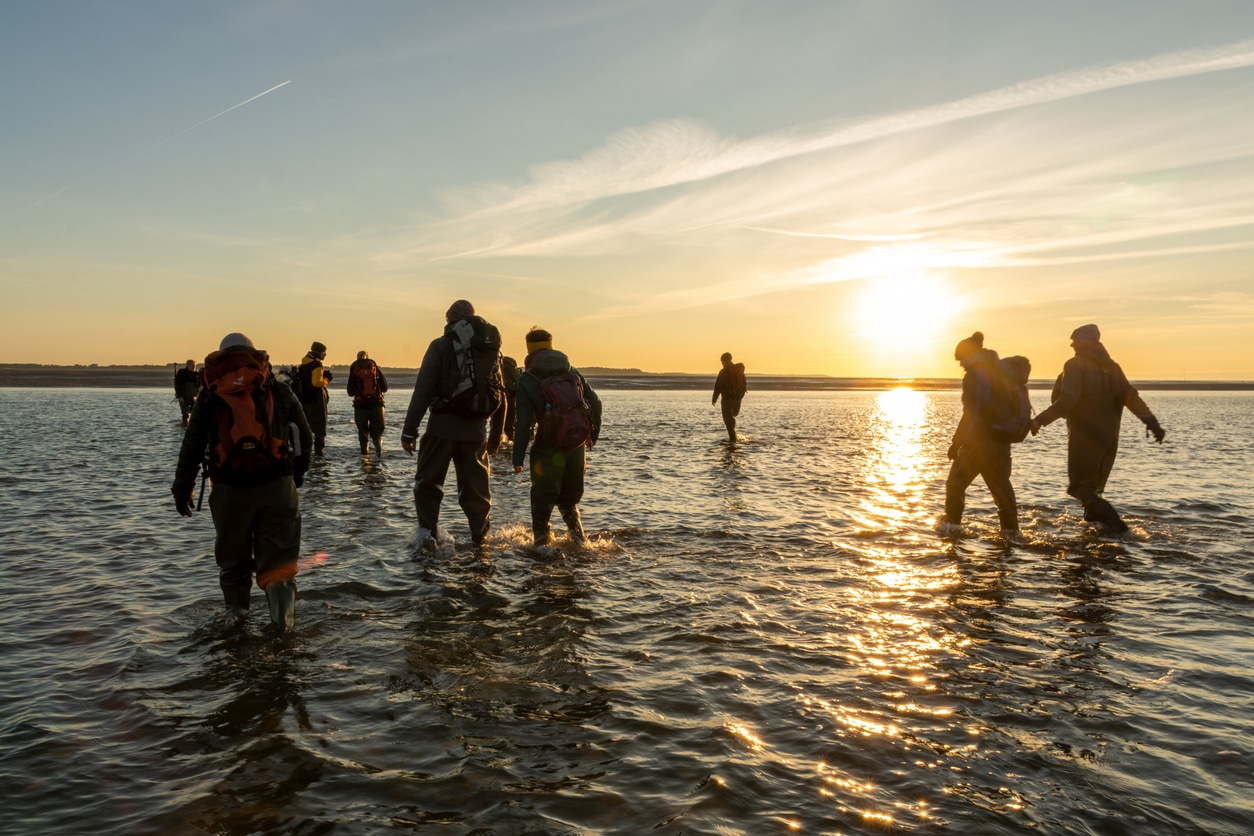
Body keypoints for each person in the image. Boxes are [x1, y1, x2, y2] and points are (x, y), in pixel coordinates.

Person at [171, 333, 312, 632]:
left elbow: (192, 445)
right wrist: (295, 477)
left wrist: (182, 488)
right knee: (279, 567)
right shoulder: (277, 387)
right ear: (254, 354)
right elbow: (306, 436)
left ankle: (236, 624)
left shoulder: (210, 393)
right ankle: (282, 630)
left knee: (234, 566)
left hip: (229, 490)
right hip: (277, 487)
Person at [1030, 324, 1165, 534]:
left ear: (1089, 341)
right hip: (1110, 439)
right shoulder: (1113, 367)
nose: (1072, 344)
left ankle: (1120, 530)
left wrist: (1038, 421)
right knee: (1094, 492)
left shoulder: (1075, 365)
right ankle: (1096, 539)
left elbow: (1067, 400)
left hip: (1085, 439)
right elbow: (1131, 397)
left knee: (1081, 487)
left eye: (1076, 340)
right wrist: (1153, 424)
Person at [400, 300, 506, 549]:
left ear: (449, 320)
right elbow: (501, 394)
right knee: (477, 492)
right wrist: (495, 437)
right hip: (477, 431)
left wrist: (409, 431)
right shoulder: (489, 349)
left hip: (442, 428)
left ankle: (427, 539)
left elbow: (423, 390)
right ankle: (481, 541)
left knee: (428, 484)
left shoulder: (440, 345)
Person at [512, 328, 603, 547]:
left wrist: (517, 458)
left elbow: (523, 424)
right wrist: (592, 435)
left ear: (528, 349)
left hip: (548, 446)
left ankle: (542, 547)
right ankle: (580, 543)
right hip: (576, 445)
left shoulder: (528, 378)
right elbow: (596, 403)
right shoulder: (570, 370)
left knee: (542, 498)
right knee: (569, 500)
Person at [943, 332, 1019, 533]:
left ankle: (952, 527)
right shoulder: (1000, 371)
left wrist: (957, 442)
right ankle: (1012, 534)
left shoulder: (974, 375)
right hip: (1002, 441)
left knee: (955, 485)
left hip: (979, 443)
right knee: (1002, 491)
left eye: (960, 358)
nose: (960, 364)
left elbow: (971, 414)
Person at [346, 350, 388, 456]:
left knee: (363, 432)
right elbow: (385, 387)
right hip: (377, 405)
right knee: (377, 433)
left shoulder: (354, 369)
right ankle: (379, 452)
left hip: (361, 406)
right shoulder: (374, 368)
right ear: (367, 357)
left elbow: (350, 392)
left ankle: (364, 455)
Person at [296, 341, 333, 455]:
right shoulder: (317, 365)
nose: (324, 355)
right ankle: (318, 452)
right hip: (315, 400)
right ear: (320, 353)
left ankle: (303, 451)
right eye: (324, 353)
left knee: (305, 426)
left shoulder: (303, 365)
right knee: (319, 427)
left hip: (303, 399)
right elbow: (316, 383)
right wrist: (326, 380)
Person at [712, 352, 747, 441]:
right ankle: (735, 437)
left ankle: (733, 439)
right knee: (733, 416)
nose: (722, 364)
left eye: (722, 362)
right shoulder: (738, 370)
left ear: (724, 361)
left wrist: (714, 398)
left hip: (727, 399)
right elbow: (743, 384)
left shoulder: (724, 372)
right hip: (738, 398)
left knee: (728, 421)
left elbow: (718, 385)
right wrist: (739, 397)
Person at [500, 355, 521, 443]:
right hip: (512, 398)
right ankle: (510, 439)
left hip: (500, 399)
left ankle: (497, 441)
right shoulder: (515, 371)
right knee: (510, 420)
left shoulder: (500, 369)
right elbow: (519, 384)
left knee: (498, 422)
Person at [173, 359, 200, 427]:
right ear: (188, 365)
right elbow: (177, 386)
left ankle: (192, 425)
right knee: (185, 413)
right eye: (193, 365)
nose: (194, 367)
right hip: (183, 397)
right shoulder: (182, 373)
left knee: (194, 412)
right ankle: (185, 425)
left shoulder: (196, 375)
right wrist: (179, 396)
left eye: (195, 366)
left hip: (193, 396)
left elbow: (198, 386)